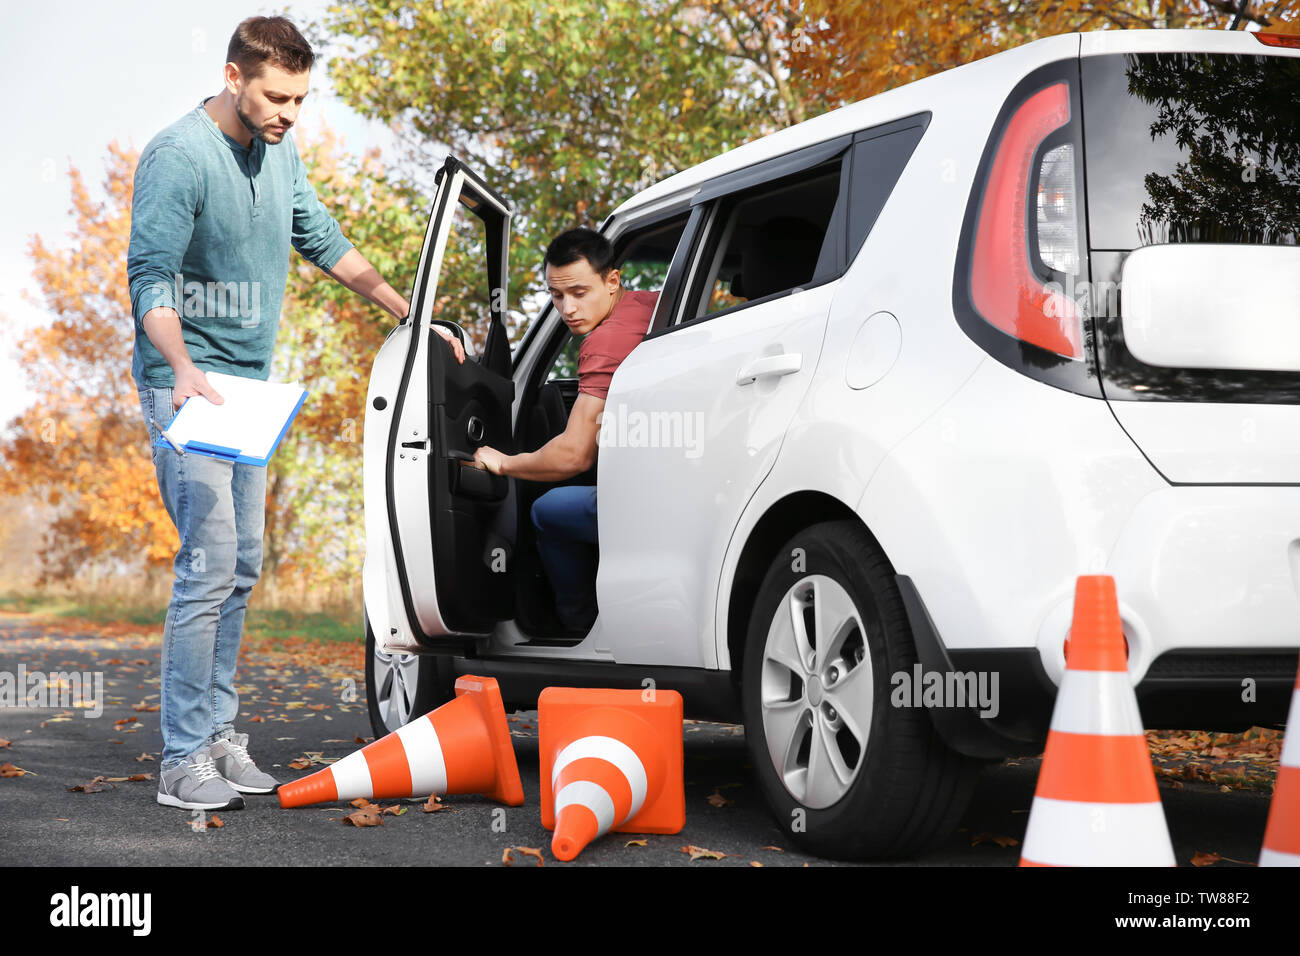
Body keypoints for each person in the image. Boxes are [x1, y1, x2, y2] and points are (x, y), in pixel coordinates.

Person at [128, 15, 464, 812]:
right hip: (187, 388)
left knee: (241, 566)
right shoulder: (178, 157)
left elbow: (321, 235)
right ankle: (182, 760)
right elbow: (151, 279)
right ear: (234, 76)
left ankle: (217, 738)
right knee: (208, 566)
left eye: (300, 100)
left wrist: (406, 309)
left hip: (248, 392)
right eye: (276, 97)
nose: (287, 113)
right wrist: (179, 368)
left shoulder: (278, 152)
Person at [473, 228, 657, 637]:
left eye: (579, 292)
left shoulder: (605, 341)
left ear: (612, 280)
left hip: (647, 502)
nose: (568, 308)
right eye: (557, 296)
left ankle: (576, 627)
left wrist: (504, 462)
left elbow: (574, 455)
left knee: (549, 510)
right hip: (675, 483)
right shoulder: (651, 305)